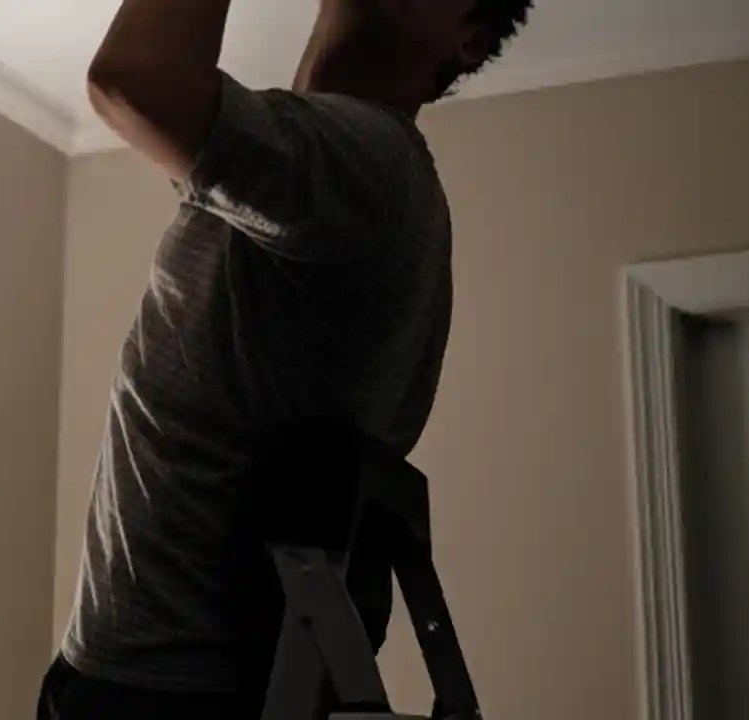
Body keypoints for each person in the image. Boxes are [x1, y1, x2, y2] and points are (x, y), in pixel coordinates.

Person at [38, 1, 531, 718]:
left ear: (469, 38)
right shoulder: (318, 162)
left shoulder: (366, 166)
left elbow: (137, 82)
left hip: (159, 696)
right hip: (145, 681)